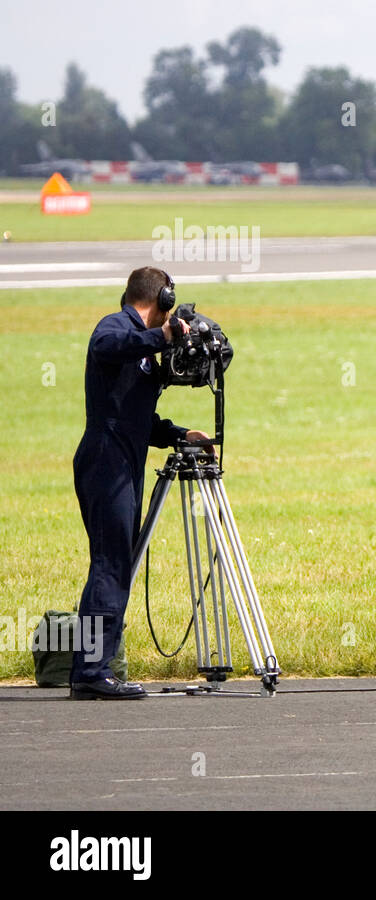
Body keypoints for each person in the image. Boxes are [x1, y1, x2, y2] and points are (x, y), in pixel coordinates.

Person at [70, 267, 210, 699]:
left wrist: (180, 435)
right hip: (105, 459)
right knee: (110, 564)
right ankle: (91, 672)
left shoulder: (145, 348)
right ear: (162, 300)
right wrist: (162, 336)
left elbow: (140, 420)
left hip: (124, 457)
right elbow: (106, 346)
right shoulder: (117, 328)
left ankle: (99, 665)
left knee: (117, 563)